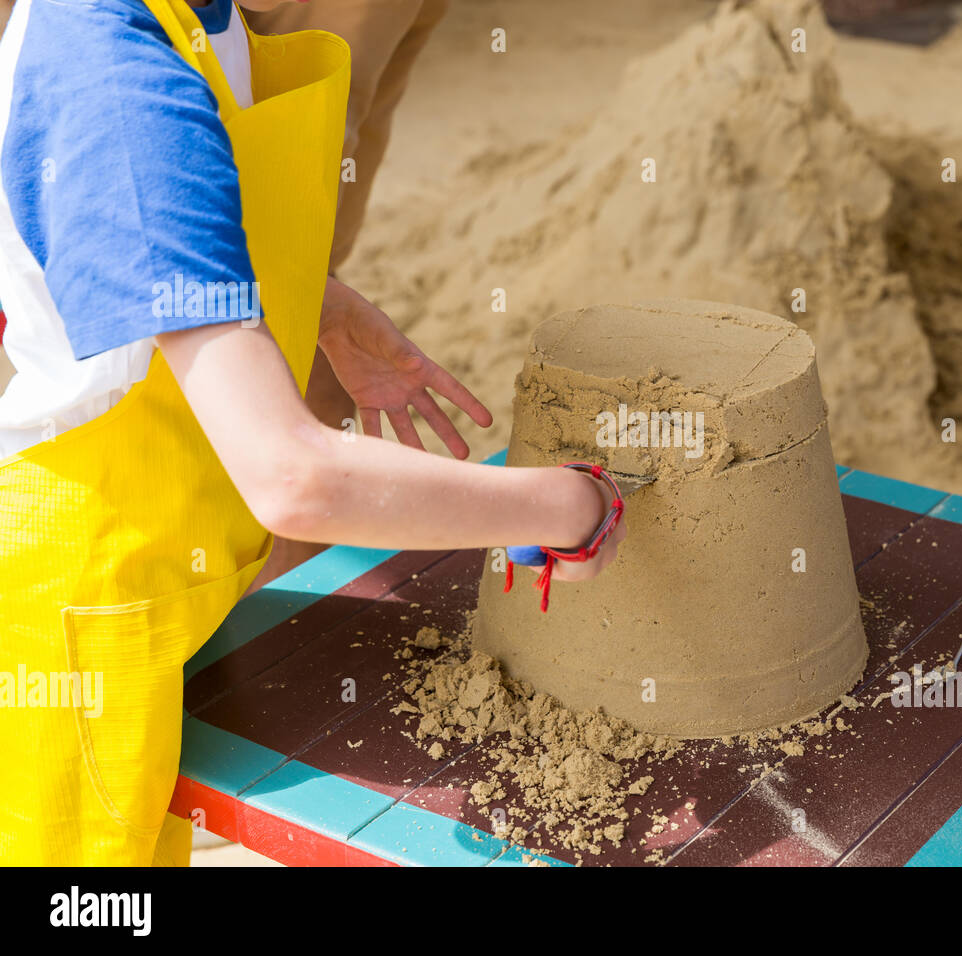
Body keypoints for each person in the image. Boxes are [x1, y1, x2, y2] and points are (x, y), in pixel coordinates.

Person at [0, 0, 622, 865]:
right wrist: (563, 506)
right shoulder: (113, 75)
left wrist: (312, 303)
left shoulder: (202, 19)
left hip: (179, 572)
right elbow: (292, 476)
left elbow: (164, 240)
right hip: (88, 605)